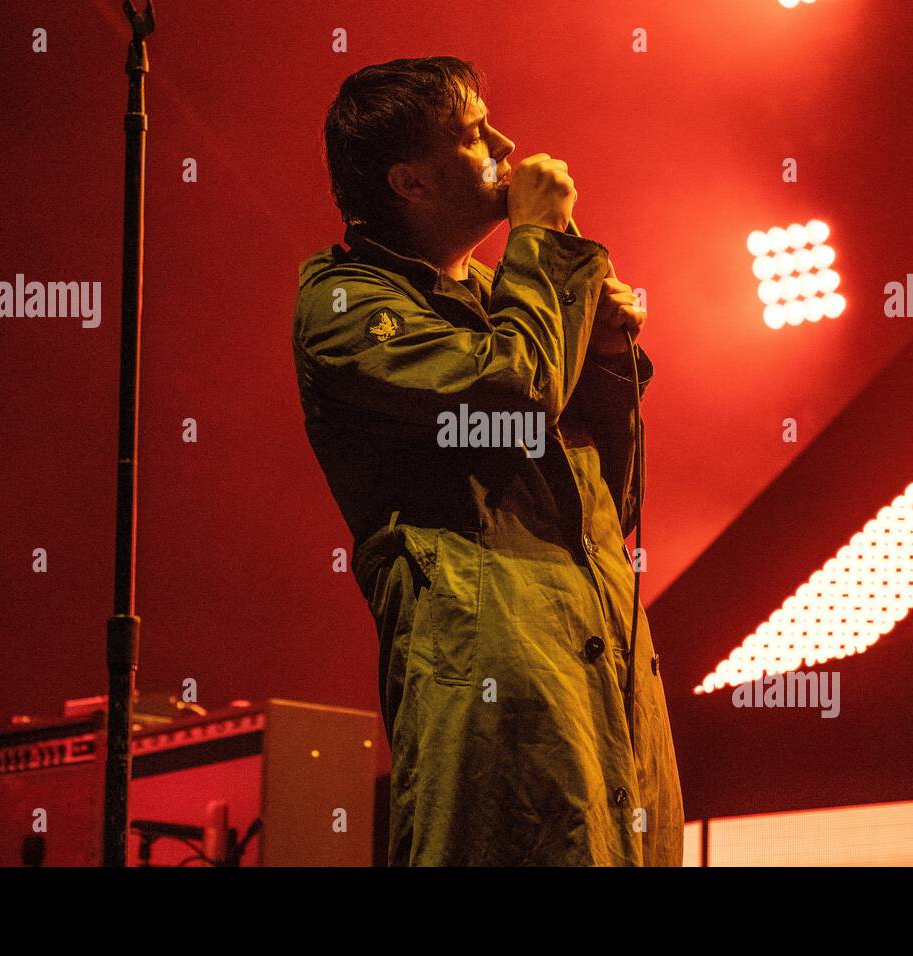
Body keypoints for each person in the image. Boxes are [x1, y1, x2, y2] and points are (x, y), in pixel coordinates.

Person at [292, 56, 683, 865]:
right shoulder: (345, 306)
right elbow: (509, 400)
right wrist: (538, 241)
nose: (504, 143)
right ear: (411, 182)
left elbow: (611, 507)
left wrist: (607, 357)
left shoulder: (505, 308)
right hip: (498, 706)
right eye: (473, 134)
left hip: (606, 693)